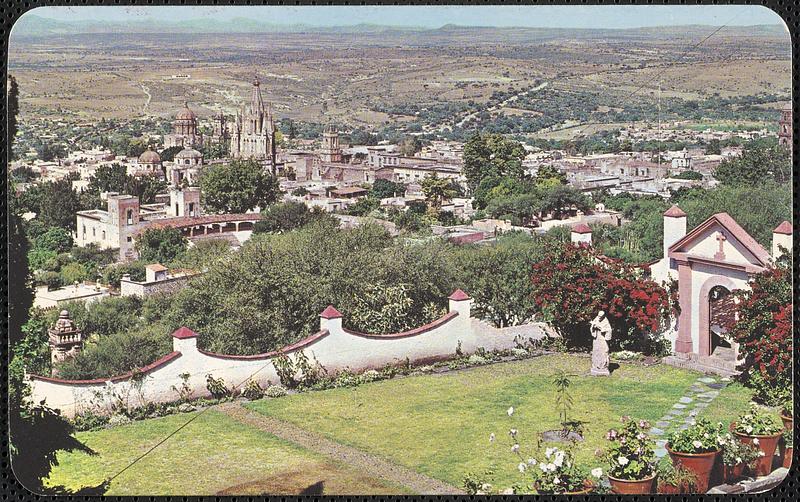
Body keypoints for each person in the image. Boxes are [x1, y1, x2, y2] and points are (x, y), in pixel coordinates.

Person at [590, 310, 612, 376]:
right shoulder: (596, 319)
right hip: (596, 338)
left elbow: (609, 330)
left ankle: (603, 367)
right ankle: (596, 366)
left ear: (603, 316)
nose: (599, 317)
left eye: (600, 317)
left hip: (602, 339)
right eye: (598, 316)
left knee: (604, 351)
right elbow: (592, 327)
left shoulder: (606, 321)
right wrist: (593, 326)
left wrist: (602, 329)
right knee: (596, 351)